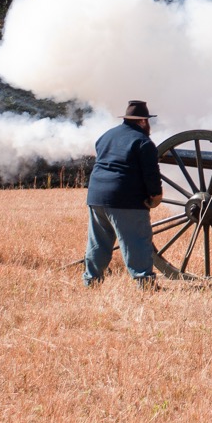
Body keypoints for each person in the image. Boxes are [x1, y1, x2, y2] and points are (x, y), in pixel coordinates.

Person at [83, 100, 164, 289]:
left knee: (98, 242)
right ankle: (145, 282)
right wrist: (155, 195)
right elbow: (151, 174)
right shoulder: (143, 142)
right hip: (125, 198)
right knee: (137, 240)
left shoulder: (106, 136)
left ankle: (91, 281)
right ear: (144, 121)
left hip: (96, 196)